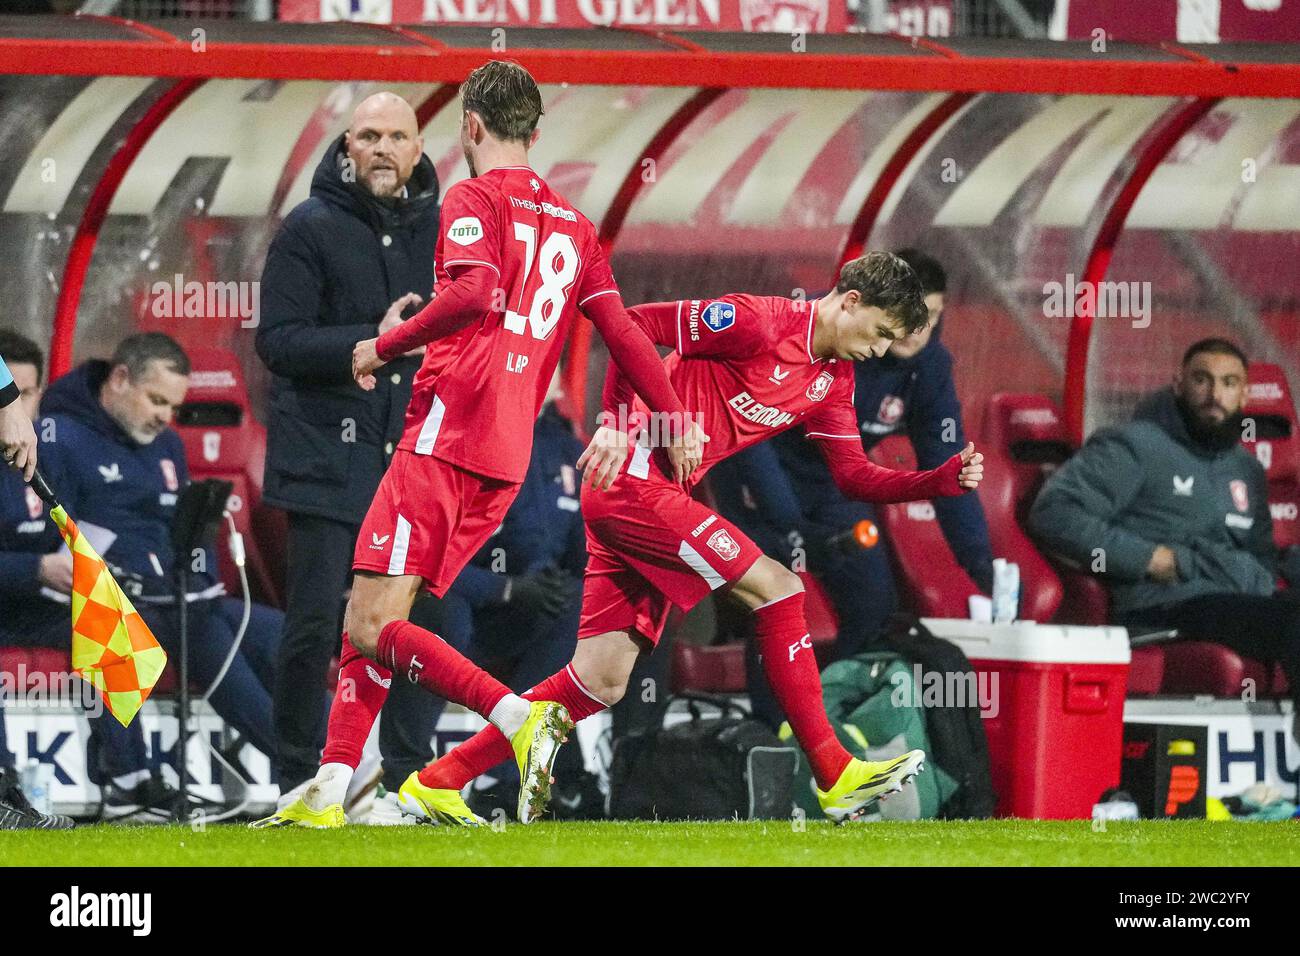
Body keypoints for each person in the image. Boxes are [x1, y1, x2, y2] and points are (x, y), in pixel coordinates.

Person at [254, 60, 698, 830]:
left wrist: (380, 348)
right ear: (536, 129)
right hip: (506, 457)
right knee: (383, 613)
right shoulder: (574, 224)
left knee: (367, 623)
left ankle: (515, 716)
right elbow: (624, 332)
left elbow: (471, 293)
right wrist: (676, 416)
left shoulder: (471, 197)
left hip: (445, 434)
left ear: (469, 126)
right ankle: (329, 786)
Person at [411, 252, 986, 825]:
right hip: (631, 481)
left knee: (599, 680)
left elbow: (853, 476)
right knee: (780, 587)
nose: (881, 350)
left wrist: (937, 480)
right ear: (851, 301)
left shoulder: (834, 380)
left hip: (658, 497)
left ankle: (440, 780)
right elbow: (632, 324)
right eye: (880, 332)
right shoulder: (758, 321)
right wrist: (614, 423)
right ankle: (834, 773)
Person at [256, 91, 442, 796]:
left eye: (396, 136)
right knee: (313, 626)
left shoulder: (446, 232)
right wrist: (371, 341)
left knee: (424, 619)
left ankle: (405, 778)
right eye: (368, 136)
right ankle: (296, 780)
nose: (383, 148)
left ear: (418, 150)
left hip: (414, 461)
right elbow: (277, 342)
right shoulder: (308, 228)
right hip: (326, 460)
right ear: (346, 150)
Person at [34, 332, 285, 810]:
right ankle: (313, 766)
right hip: (101, 600)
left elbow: (186, 530)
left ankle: (336, 756)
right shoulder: (58, 437)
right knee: (203, 633)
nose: (165, 417)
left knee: (280, 634)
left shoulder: (166, 444)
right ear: (120, 379)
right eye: (156, 400)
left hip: (175, 595)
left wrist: (202, 581)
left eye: (173, 406)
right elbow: (48, 534)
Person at [713, 248, 993, 660]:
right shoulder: (822, 329)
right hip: (756, 465)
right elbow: (749, 426)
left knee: (872, 604)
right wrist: (786, 522)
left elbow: (946, 463)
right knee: (774, 599)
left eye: (931, 315)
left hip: (835, 482)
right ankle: (769, 706)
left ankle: (841, 696)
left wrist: (981, 564)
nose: (918, 329)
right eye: (909, 313)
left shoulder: (930, 366)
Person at [1029, 338, 1300, 715]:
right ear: (1179, 384)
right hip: (1164, 604)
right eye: (1202, 380)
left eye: (1228, 383)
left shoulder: (1245, 468)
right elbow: (1054, 512)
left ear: (1244, 394)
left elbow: (1261, 556)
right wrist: (1151, 559)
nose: (1215, 395)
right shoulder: (1136, 446)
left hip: (1234, 598)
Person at [0, 334, 73, 829]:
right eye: (12, 394)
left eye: (27, 394)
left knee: (102, 626)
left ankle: (134, 781)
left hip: (29, 605)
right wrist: (36, 569)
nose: (19, 408)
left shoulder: (47, 455)